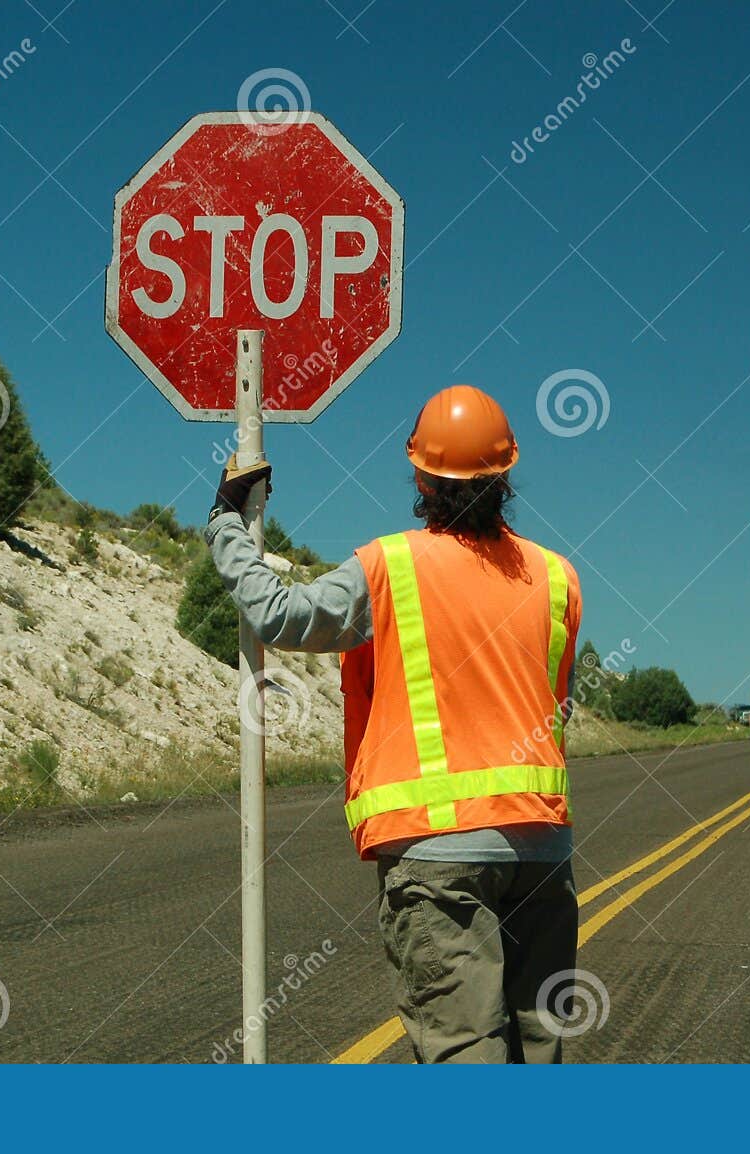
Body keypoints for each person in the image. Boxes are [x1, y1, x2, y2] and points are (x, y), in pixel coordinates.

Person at [205, 384, 583, 1063]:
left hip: (439, 854)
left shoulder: (392, 567)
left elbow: (282, 616)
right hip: (543, 851)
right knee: (539, 1055)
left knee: (466, 1052)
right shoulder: (557, 577)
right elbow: (557, 706)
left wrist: (226, 523)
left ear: (420, 475)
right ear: (505, 476)